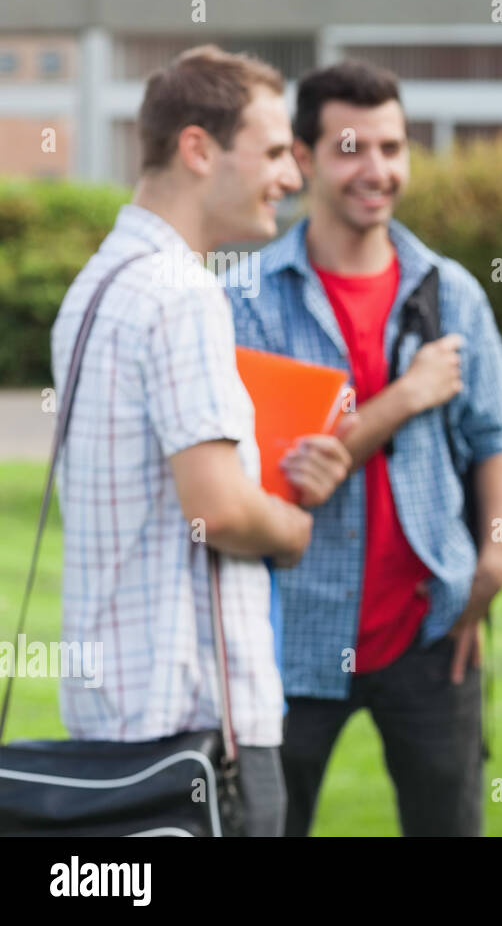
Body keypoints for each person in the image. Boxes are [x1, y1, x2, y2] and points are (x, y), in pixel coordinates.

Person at [50, 45, 352, 837]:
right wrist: (291, 527)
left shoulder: (98, 286)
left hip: (112, 709)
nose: (292, 177)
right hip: (195, 718)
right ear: (198, 148)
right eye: (275, 152)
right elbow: (215, 511)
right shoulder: (185, 294)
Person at [224, 59, 502, 837]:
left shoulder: (452, 291)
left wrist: (493, 558)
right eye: (352, 147)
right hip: (290, 632)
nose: (377, 169)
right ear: (304, 156)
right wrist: (402, 399)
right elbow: (282, 480)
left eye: (393, 148)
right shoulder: (248, 297)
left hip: (431, 629)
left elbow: (496, 435)